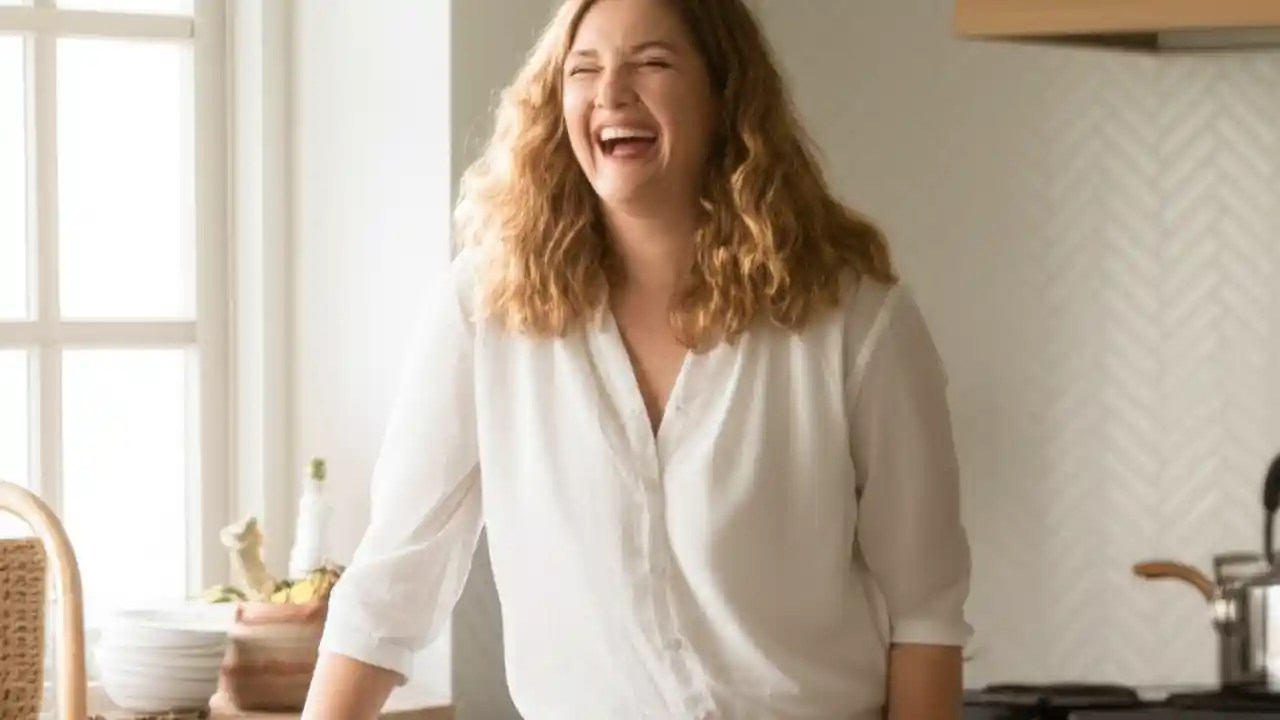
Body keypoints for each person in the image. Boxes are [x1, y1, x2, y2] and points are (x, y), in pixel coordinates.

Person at [302, 0, 972, 717]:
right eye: (583, 70)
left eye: (652, 64)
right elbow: (389, 589)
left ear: (726, 94)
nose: (611, 95)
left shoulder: (855, 324)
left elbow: (925, 618)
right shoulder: (483, 310)